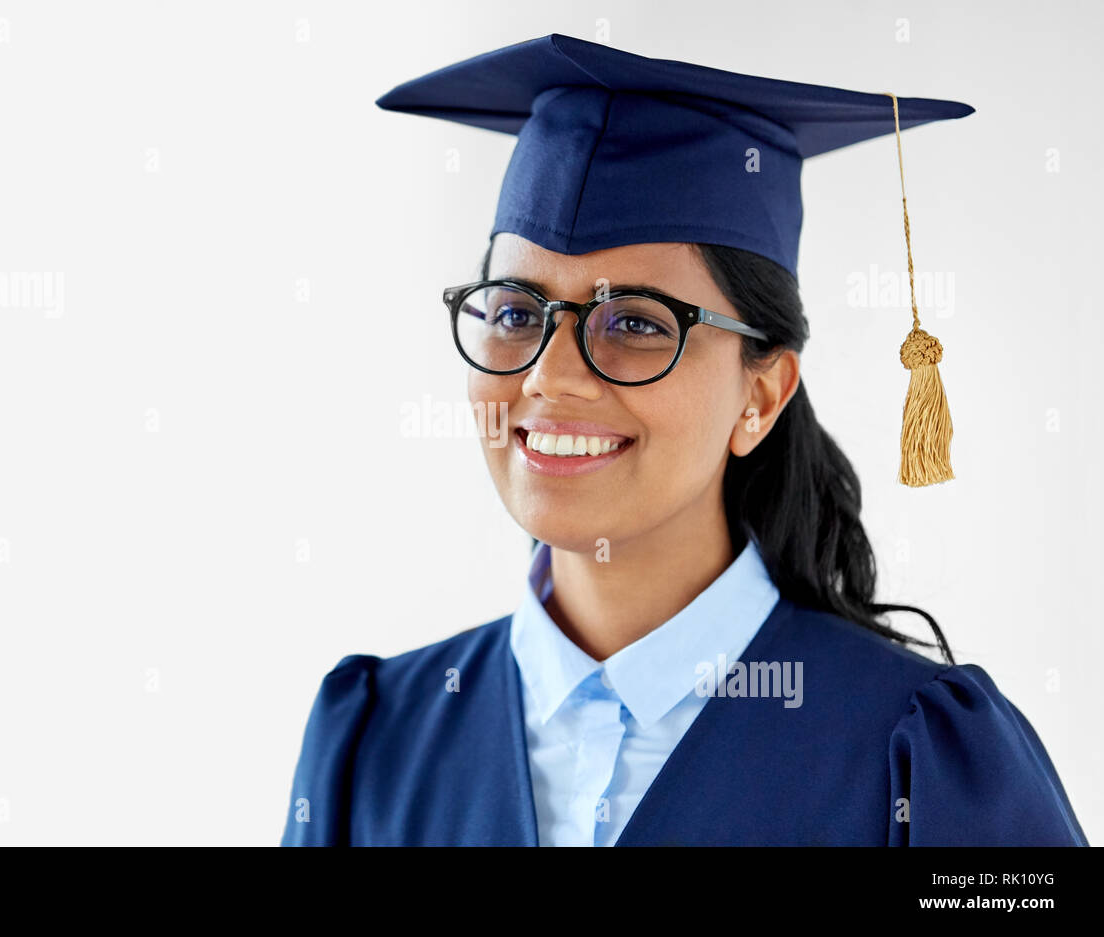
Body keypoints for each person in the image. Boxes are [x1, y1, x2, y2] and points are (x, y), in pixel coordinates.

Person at [280, 33, 1088, 846]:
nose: (549, 376)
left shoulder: (914, 759)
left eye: (633, 322)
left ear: (761, 395)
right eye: (517, 312)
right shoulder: (371, 745)